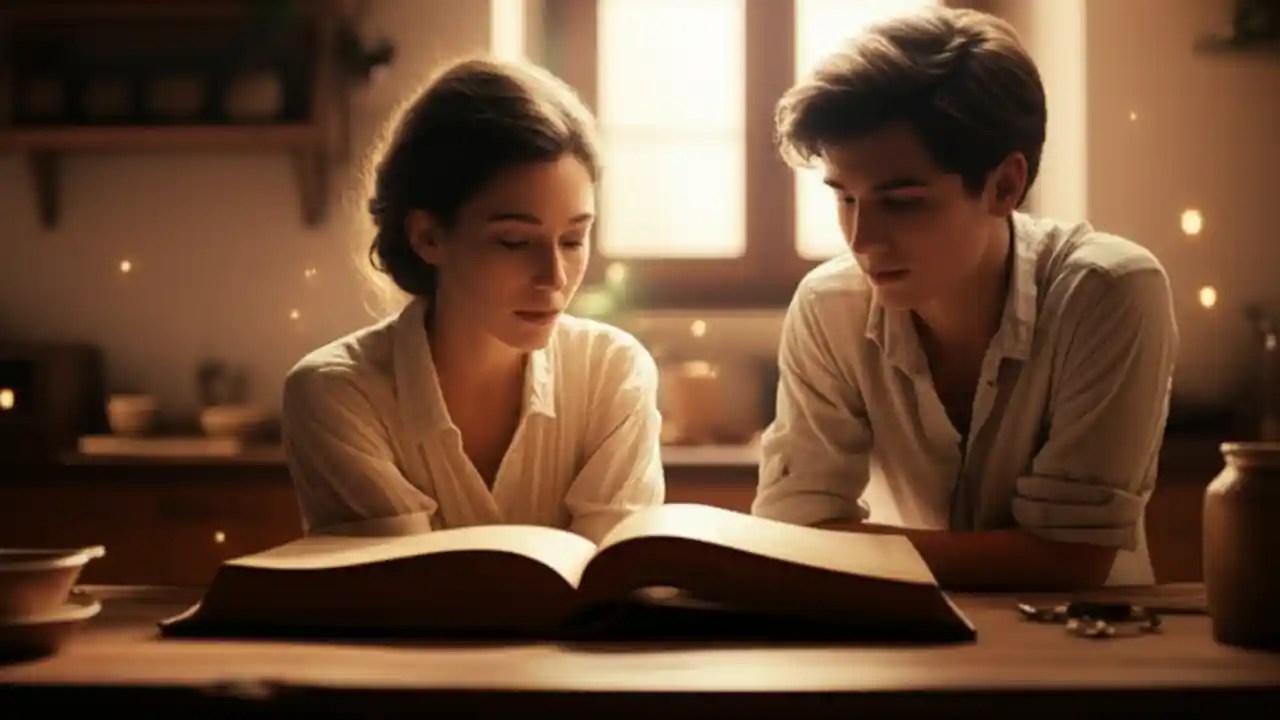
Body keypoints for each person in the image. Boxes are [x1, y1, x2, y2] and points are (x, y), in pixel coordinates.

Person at [752, 6, 1179, 590]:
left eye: (901, 201)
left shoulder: (1107, 292)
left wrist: (836, 549)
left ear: (1005, 185)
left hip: (1084, 655)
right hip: (905, 655)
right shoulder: (830, 308)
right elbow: (789, 534)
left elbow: (1071, 562)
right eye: (845, 198)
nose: (861, 240)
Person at [280, 57, 664, 543]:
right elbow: (396, 595)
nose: (554, 277)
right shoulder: (339, 395)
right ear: (428, 236)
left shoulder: (612, 372)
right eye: (514, 242)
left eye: (572, 240)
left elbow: (614, 577)